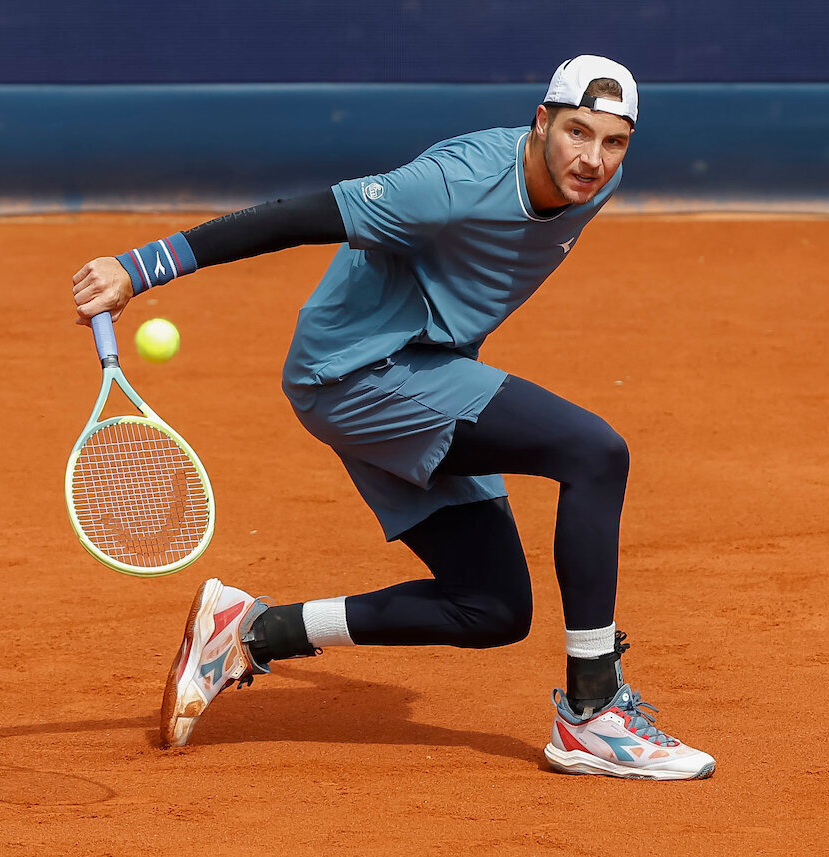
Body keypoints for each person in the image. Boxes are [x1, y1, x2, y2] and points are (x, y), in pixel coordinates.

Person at [72, 55, 715, 780]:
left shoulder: (591, 181)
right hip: (354, 373)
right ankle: (591, 712)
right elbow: (301, 216)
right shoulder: (450, 184)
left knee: (492, 607)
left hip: (429, 371)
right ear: (540, 122)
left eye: (613, 142)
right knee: (594, 453)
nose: (593, 159)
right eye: (576, 133)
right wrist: (140, 266)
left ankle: (251, 631)